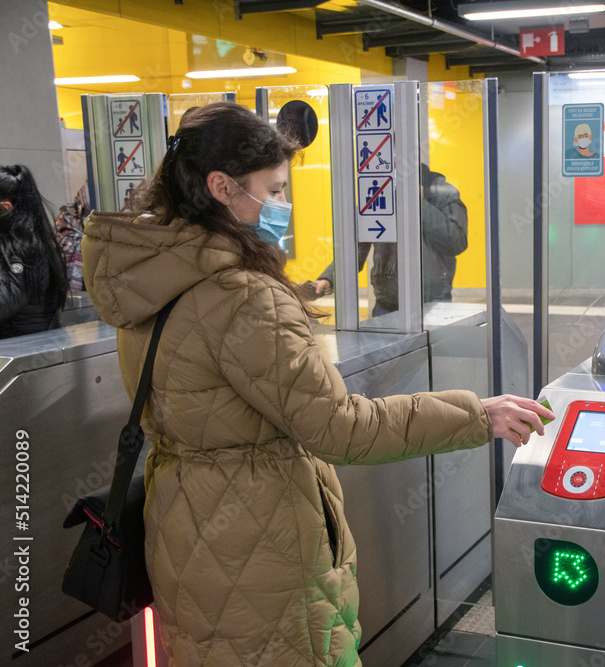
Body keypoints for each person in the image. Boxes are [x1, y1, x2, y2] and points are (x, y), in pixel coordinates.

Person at [81, 102, 552, 666]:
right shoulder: (242, 296)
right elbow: (339, 426)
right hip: (261, 542)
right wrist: (476, 414)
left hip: (184, 523)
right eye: (273, 190)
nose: (282, 205)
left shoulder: (153, 275)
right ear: (222, 187)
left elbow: (202, 364)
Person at [312, 164, 468, 315]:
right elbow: (356, 248)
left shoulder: (439, 190)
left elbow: (456, 242)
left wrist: (420, 205)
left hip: (433, 305)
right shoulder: (377, 190)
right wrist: (327, 279)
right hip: (386, 307)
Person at [0, 165, 68, 339]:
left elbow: (8, 301)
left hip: (19, 349)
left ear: (5, 208)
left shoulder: (21, 247)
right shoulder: (30, 240)